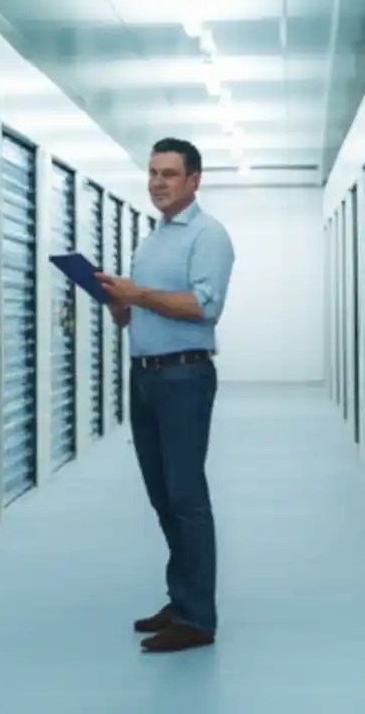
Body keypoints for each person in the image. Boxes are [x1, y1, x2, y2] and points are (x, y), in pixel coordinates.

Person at [94, 138, 235, 653]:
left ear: (194, 180)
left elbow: (204, 306)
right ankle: (182, 598)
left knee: (186, 496)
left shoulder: (208, 235)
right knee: (162, 495)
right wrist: (119, 304)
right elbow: (139, 310)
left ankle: (198, 619)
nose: (157, 182)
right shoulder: (151, 240)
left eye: (169, 174)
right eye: (153, 173)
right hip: (146, 376)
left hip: (184, 378)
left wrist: (139, 293)